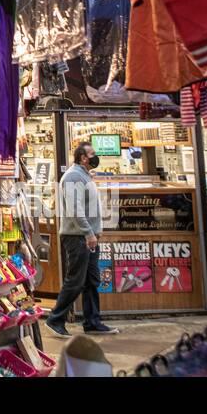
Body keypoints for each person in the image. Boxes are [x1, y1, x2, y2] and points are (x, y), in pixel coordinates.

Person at [46, 143, 117, 338]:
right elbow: (74, 209)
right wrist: (88, 233)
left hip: (88, 236)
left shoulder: (85, 175)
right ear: (83, 158)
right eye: (92, 154)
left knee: (92, 280)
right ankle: (55, 320)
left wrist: (94, 232)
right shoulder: (72, 177)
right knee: (76, 280)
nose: (96, 156)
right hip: (77, 237)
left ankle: (92, 322)